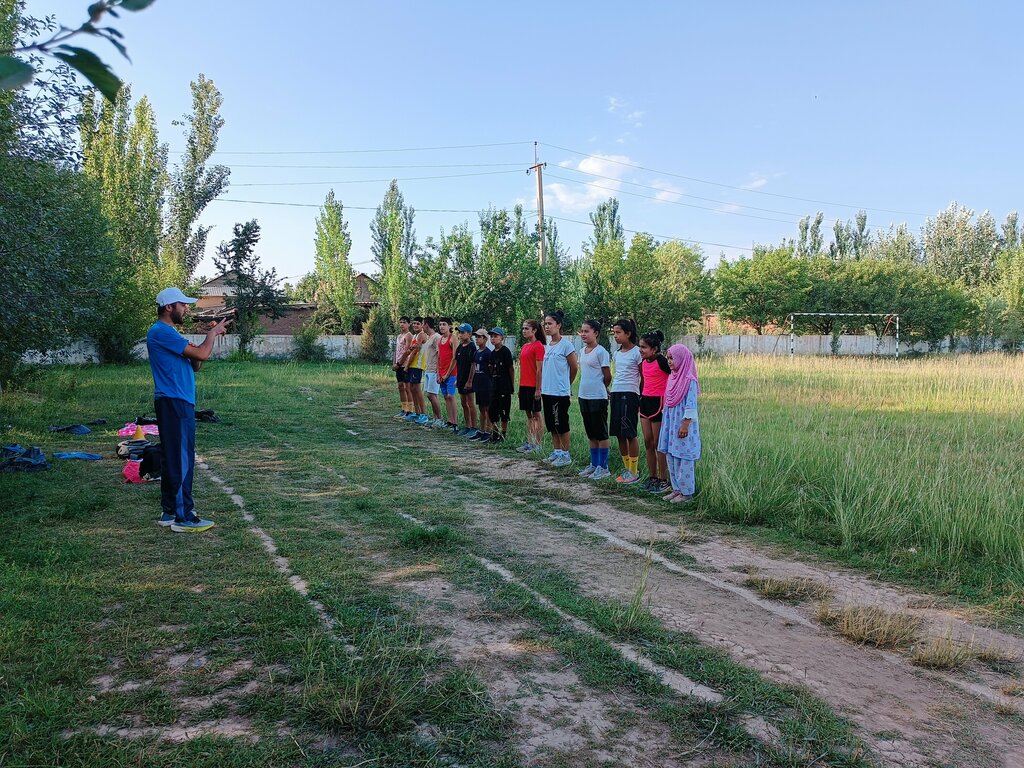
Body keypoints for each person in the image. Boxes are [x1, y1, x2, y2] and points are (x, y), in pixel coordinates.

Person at [146, 287, 228, 533]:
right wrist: (212, 334)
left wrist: (202, 341)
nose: (187, 308)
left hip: (175, 402)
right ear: (169, 307)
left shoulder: (170, 334)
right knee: (181, 460)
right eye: (183, 304)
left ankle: (170, 511)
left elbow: (197, 364)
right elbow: (203, 353)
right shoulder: (161, 331)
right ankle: (184, 517)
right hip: (175, 402)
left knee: (173, 458)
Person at [658, 344, 701, 503]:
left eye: (672, 358)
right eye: (668, 358)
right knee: (672, 455)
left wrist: (685, 425)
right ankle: (677, 489)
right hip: (671, 423)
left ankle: (687, 493)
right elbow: (668, 400)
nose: (669, 361)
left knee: (684, 458)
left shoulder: (689, 380)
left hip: (683, 425)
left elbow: (691, 404)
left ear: (682, 359)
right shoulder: (672, 377)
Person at [540, 310, 578, 467]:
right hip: (547, 391)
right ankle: (556, 452)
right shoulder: (547, 346)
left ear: (559, 325)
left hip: (559, 392)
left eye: (550, 324)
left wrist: (566, 384)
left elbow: (574, 367)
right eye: (545, 324)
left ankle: (565, 454)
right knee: (552, 424)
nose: (547, 327)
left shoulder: (566, 345)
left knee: (561, 423)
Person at [576, 319, 612, 480]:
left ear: (595, 333)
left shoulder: (601, 352)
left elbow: (607, 375)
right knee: (591, 433)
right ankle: (594, 464)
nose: (583, 334)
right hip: (584, 395)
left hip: (598, 396)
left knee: (601, 433)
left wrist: (603, 388)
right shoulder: (583, 351)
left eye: (587, 331)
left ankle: (603, 467)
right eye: (582, 331)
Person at [610, 318, 643, 484]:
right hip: (616, 393)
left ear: (628, 334)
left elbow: (643, 376)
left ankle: (634, 471)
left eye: (618, 333)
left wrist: (641, 396)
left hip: (630, 394)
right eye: (614, 333)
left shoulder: (637, 352)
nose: (615, 336)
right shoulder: (616, 354)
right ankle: (626, 468)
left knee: (629, 432)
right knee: (619, 433)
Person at [639, 330, 671, 494]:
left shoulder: (662, 361)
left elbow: (675, 376)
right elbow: (643, 381)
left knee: (659, 444)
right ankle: (652, 477)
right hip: (644, 402)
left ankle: (663, 479)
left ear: (655, 349)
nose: (641, 350)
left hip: (658, 404)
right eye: (640, 347)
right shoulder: (644, 362)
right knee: (648, 441)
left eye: (644, 347)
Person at [516, 318, 546, 454]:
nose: (524, 331)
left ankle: (538, 444)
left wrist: (538, 388)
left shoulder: (538, 346)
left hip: (533, 385)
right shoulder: (525, 346)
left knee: (536, 415)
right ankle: (530, 442)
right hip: (524, 385)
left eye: (527, 328)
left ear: (534, 330)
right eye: (523, 328)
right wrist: (520, 386)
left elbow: (539, 369)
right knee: (529, 415)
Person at [485, 327, 514, 443]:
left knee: (504, 411)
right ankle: (495, 432)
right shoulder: (492, 353)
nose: (493, 339)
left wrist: (511, 385)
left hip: (504, 386)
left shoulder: (505, 351)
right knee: (492, 410)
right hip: (494, 385)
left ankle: (503, 433)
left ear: (502, 338)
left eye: (496, 336)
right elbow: (491, 368)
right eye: (491, 336)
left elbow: (511, 369)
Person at [398, 317, 428, 424]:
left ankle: (424, 414)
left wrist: (406, 366)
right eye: (414, 323)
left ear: (422, 325)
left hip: (417, 365)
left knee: (417, 389)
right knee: (412, 389)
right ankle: (417, 412)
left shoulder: (422, 335)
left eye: (418, 324)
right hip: (411, 365)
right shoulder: (415, 335)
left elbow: (414, 352)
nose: (415, 325)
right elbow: (410, 350)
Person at [467, 328, 492, 441]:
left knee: (487, 408)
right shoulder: (476, 352)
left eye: (479, 337)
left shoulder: (488, 353)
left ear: (485, 339)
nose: (477, 339)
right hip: (478, 383)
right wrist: (470, 381)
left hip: (487, 384)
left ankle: (488, 430)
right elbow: (473, 366)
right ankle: (481, 430)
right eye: (476, 337)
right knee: (481, 408)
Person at [419, 316, 444, 428]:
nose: (421, 326)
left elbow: (440, 354)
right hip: (428, 369)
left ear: (427, 325)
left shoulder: (436, 337)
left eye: (422, 324)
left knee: (432, 395)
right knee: (429, 395)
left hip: (434, 370)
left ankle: (440, 419)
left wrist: (438, 371)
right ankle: (435, 418)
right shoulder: (429, 337)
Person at [437, 317, 460, 432]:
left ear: (450, 326)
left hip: (451, 373)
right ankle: (450, 421)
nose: (441, 326)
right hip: (441, 373)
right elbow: (439, 357)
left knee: (451, 396)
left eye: (444, 324)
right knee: (446, 397)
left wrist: (447, 373)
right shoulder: (440, 339)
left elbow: (455, 357)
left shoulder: (453, 338)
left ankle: (455, 422)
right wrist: (438, 374)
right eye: (440, 324)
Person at [454, 323, 477, 435]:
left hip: (469, 379)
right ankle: (467, 426)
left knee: (470, 403)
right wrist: (457, 379)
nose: (460, 335)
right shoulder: (459, 346)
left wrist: (470, 381)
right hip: (461, 379)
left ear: (469, 334)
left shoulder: (472, 346)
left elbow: (473, 364)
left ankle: (474, 427)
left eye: (463, 332)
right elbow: (458, 363)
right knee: (463, 403)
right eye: (459, 332)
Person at [393, 316, 413, 419]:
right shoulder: (399, 336)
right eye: (400, 322)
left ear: (408, 324)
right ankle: (404, 409)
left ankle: (410, 410)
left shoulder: (409, 335)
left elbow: (407, 351)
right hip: (398, 364)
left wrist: (400, 363)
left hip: (405, 364)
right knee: (400, 386)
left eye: (404, 322)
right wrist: (394, 363)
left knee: (407, 388)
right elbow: (396, 351)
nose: (402, 324)